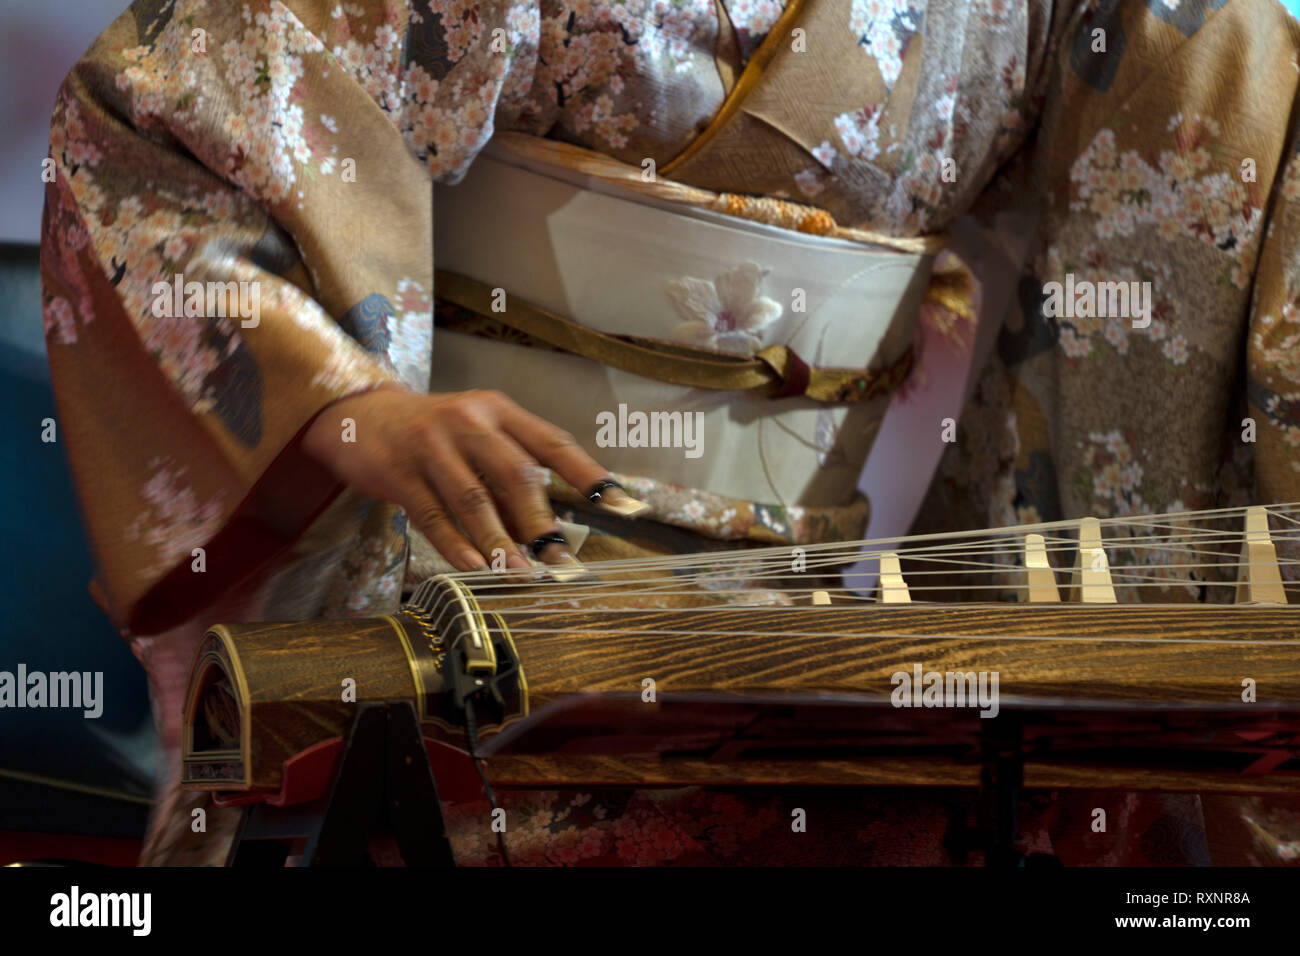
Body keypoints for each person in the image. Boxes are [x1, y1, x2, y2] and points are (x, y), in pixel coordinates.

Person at [40, 0, 1300, 865]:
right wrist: (351, 406)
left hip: (799, 669)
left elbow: (1213, 146)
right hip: (468, 604)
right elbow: (153, 134)